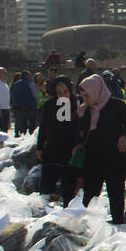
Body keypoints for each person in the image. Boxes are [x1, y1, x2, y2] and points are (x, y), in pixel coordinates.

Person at [77, 75, 126, 227]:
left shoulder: (117, 106)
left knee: (115, 194)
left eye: (87, 96)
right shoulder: (84, 111)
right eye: (83, 96)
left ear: (96, 91)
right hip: (93, 160)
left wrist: (124, 137)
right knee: (90, 194)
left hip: (114, 159)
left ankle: (117, 224)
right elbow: (80, 132)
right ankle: (89, 226)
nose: (86, 100)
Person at [36, 77, 81, 206]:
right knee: (47, 188)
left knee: (68, 189)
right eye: (59, 92)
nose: (63, 95)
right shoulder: (50, 105)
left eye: (65, 91)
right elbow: (43, 127)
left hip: (68, 152)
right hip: (52, 150)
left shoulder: (76, 104)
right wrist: (39, 147)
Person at [11, 71, 37, 136]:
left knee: (22, 122)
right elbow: (35, 95)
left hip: (20, 106)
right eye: (29, 75)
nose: (30, 77)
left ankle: (23, 134)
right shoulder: (30, 83)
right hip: (30, 105)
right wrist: (36, 103)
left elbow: (15, 95)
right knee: (32, 122)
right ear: (26, 76)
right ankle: (31, 135)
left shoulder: (16, 84)